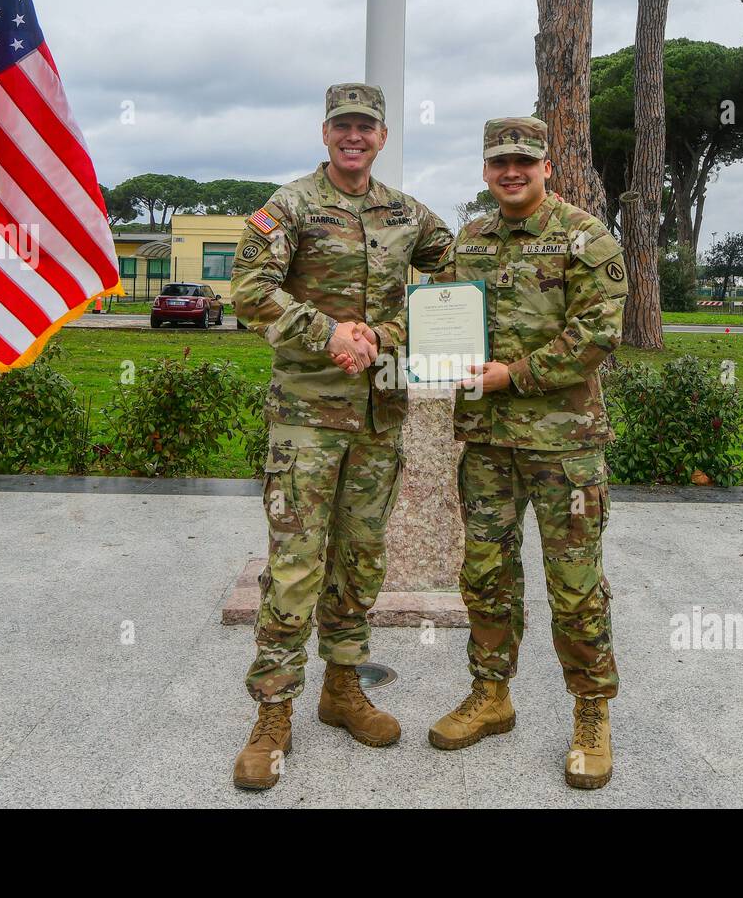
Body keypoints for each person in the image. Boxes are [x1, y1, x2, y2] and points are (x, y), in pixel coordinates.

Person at [229, 83, 453, 790]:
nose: (353, 137)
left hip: (379, 417)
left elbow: (460, 276)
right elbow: (249, 290)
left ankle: (343, 687)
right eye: (342, 126)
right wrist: (328, 334)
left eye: (365, 127)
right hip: (306, 419)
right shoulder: (291, 205)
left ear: (382, 136)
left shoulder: (407, 213)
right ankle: (272, 713)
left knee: (360, 559)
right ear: (326, 133)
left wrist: (386, 334)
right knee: (296, 564)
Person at [424, 116, 627, 789]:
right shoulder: (472, 238)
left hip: (562, 446)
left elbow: (599, 332)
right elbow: (441, 312)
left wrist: (515, 375)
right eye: (499, 164)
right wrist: (429, 354)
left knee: (574, 586)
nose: (511, 174)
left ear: (546, 167)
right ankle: (492, 695)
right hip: (486, 445)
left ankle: (590, 712)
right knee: (484, 574)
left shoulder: (584, 235)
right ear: (486, 171)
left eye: (523, 163)